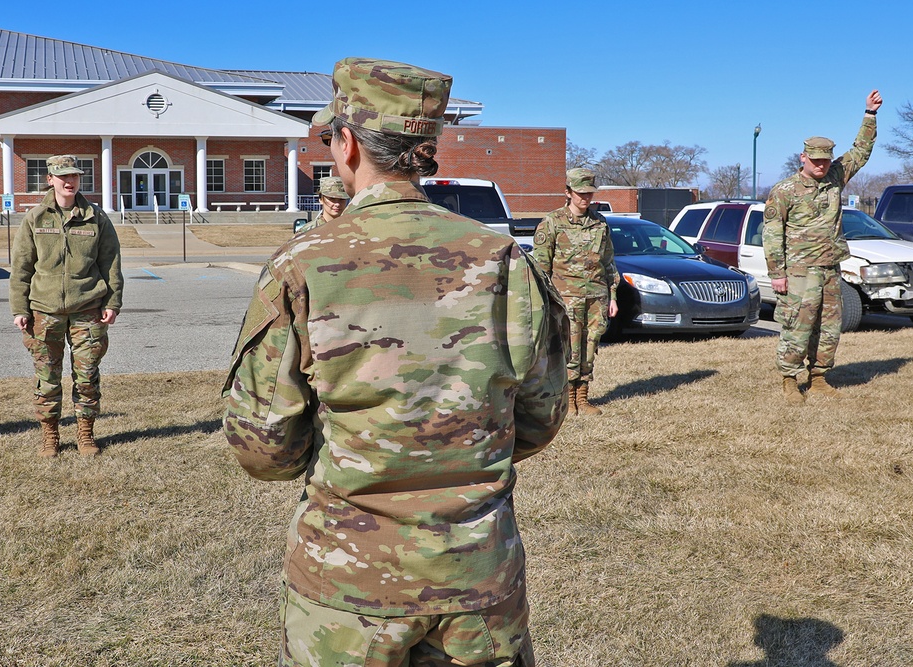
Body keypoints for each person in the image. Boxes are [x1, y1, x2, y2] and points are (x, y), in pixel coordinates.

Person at [223, 57, 569, 666]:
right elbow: (539, 418)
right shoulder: (503, 258)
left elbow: (263, 447)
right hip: (477, 579)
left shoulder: (303, 263)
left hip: (349, 585)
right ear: (424, 147)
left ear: (348, 143)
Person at [764, 90, 883, 404]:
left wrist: (869, 115)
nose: (820, 165)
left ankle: (818, 377)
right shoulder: (785, 190)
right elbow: (772, 233)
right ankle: (789, 380)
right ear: (802, 157)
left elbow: (860, 150)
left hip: (830, 268)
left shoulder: (835, 177)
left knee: (829, 327)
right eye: (815, 160)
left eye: (825, 160)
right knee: (797, 326)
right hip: (799, 272)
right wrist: (777, 272)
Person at [9, 154, 123, 457]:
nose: (69, 181)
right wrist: (20, 309)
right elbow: (21, 267)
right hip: (44, 311)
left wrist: (112, 301)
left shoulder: (96, 218)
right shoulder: (35, 218)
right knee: (47, 376)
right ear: (50, 179)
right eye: (62, 176)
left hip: (88, 308)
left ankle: (85, 433)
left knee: (86, 376)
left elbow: (110, 263)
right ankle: (51, 435)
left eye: (74, 176)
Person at [532, 168, 618, 416]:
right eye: (580, 193)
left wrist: (613, 295)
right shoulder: (552, 222)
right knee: (568, 348)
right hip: (566, 297)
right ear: (568, 192)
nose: (585, 198)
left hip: (596, 296)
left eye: (589, 194)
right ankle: (568, 399)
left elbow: (609, 262)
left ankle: (583, 397)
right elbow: (541, 267)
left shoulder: (600, 223)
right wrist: (546, 301)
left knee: (590, 347)